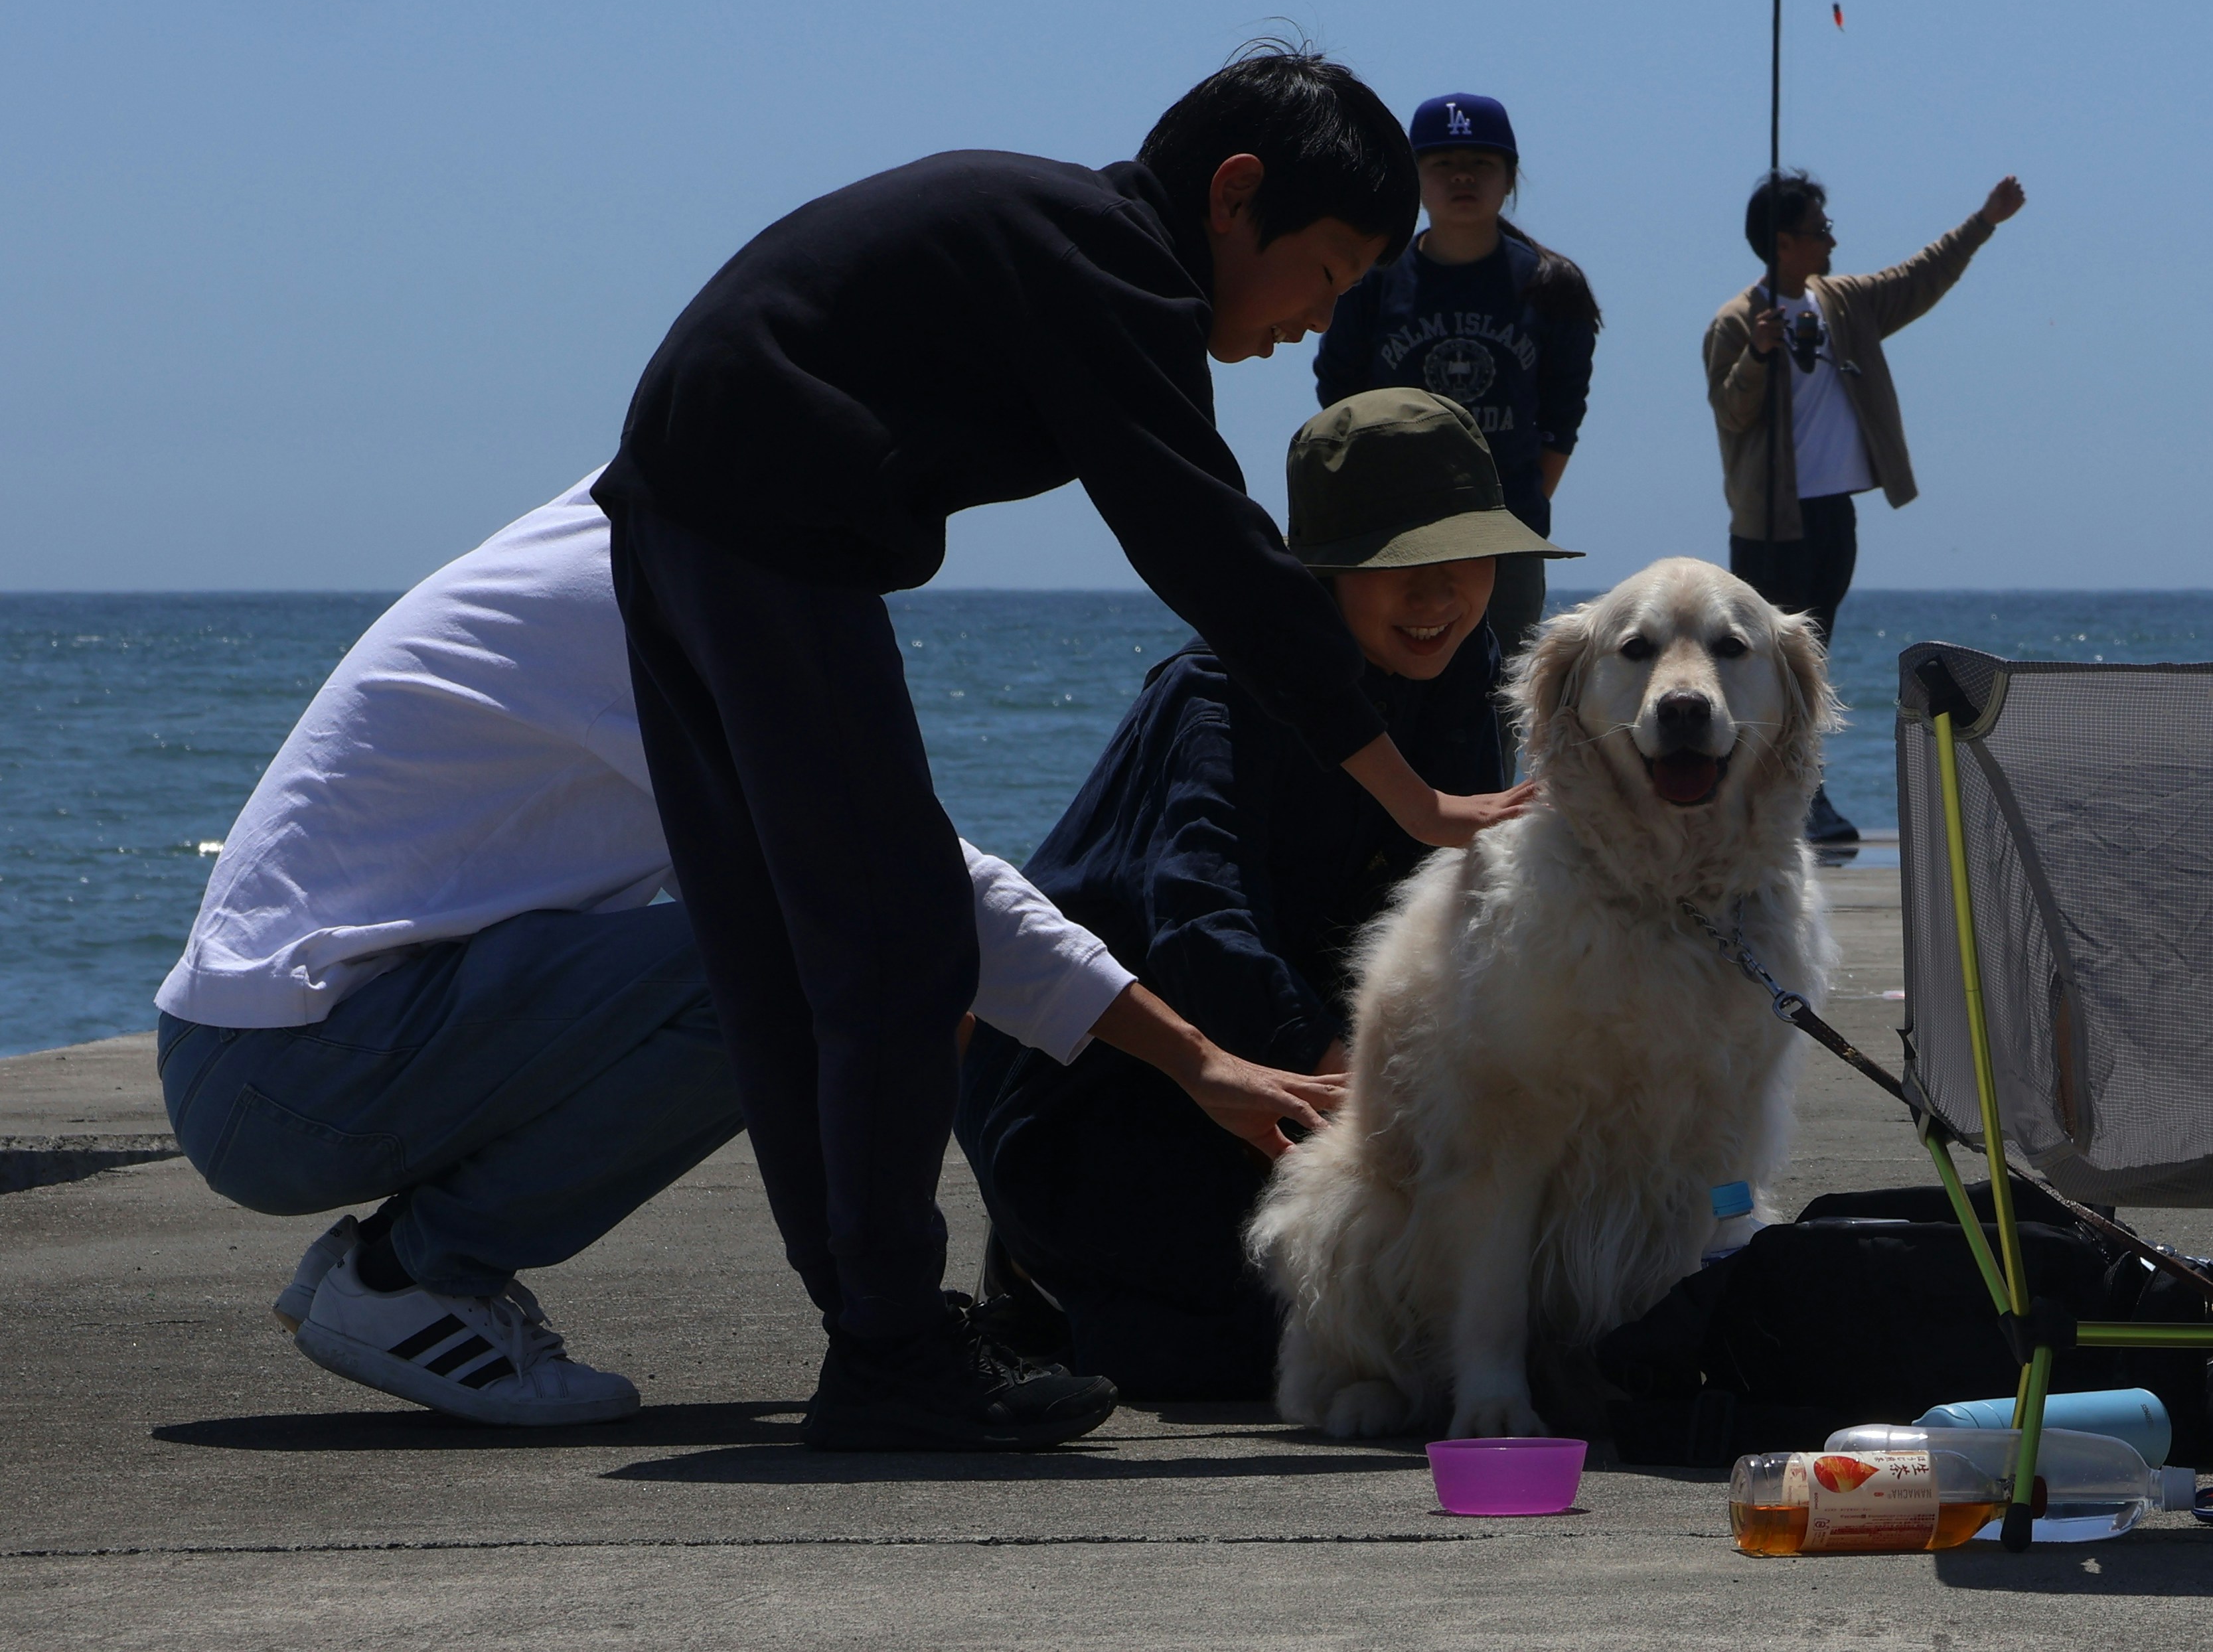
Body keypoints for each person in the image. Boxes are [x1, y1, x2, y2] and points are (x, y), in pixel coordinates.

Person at [597, 45, 1529, 1452]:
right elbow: (1204, 536)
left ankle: (881, 1332)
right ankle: (894, 1345)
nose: (1310, 321)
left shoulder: (1064, 239)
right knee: (904, 947)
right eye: (1324, 272)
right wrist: (1407, 786)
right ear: (1235, 194)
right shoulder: (1115, 261)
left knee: (795, 960)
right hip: (764, 517)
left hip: (675, 505)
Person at [154, 479, 1341, 1431]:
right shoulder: (643, 594)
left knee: (833, 934)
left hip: (296, 1052)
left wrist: (1192, 1058)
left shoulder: (651, 541)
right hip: (291, 1074)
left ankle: (391, 1270)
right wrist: (1195, 1059)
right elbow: (908, 887)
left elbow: (917, 867)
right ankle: (418, 1277)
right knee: (804, 949)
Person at [956, 391, 1566, 1398]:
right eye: (1398, 567)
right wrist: (1371, 1096)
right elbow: (1198, 923)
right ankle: (1037, 1273)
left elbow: (1439, 910)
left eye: (1464, 562)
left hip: (1305, 1079)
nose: (1437, 597)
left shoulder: (1464, 673)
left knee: (1466, 1317)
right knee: (1261, 1354)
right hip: (1109, 1090)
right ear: (1323, 573)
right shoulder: (1214, 693)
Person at [1705, 167, 2025, 844]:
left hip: (1832, 516)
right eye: (1821, 228)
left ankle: (1804, 795)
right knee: (1761, 668)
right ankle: (1745, 799)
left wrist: (1984, 220)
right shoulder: (1737, 322)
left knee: (1811, 665)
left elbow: (1920, 277)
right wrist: (1760, 353)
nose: (1832, 239)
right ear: (1785, 240)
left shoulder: (1841, 303)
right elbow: (1732, 413)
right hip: (1770, 526)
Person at [1312, 93, 1599, 673]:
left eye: (1482, 163)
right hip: (1390, 530)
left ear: (1510, 178)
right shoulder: (1373, 280)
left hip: (1505, 533)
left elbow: (1562, 416)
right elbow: (1338, 394)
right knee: (1386, 689)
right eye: (1442, 164)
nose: (1462, 177)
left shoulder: (1552, 285)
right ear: (1413, 178)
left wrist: (1518, 502)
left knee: (1498, 700)